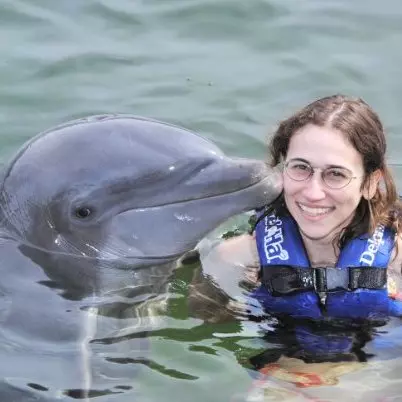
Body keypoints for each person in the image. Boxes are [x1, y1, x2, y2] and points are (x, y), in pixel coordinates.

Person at [216, 93, 402, 327]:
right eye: (301, 167)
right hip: (277, 357)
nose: (313, 193)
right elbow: (207, 324)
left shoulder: (397, 261)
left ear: (369, 184)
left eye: (336, 174)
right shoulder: (235, 258)